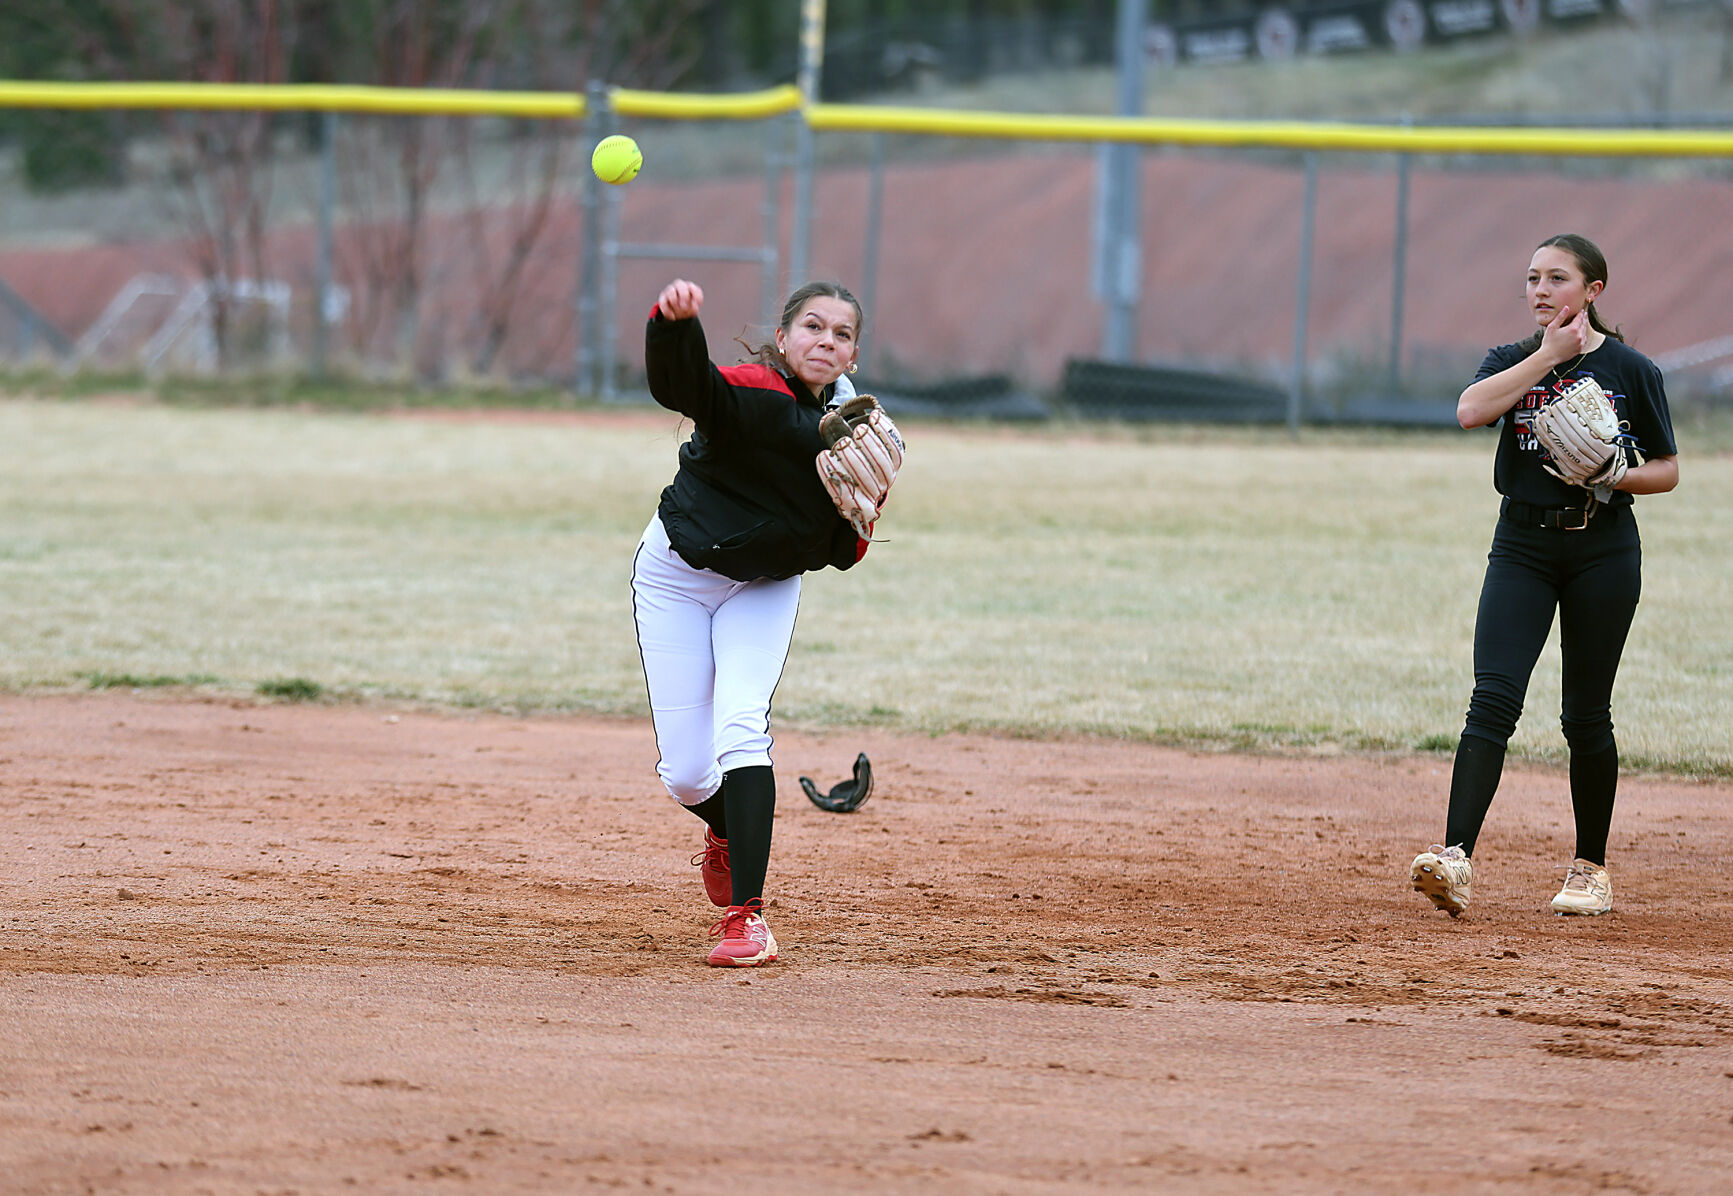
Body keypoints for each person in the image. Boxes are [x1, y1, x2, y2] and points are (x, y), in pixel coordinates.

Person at [631, 277, 902, 966]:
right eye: (812, 326)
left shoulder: (863, 434)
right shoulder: (753, 392)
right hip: (677, 578)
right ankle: (727, 827)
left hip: (763, 586)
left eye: (840, 334)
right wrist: (672, 325)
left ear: (853, 355)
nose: (825, 340)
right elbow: (686, 386)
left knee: (740, 728)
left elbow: (840, 553)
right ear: (783, 340)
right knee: (687, 776)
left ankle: (745, 921)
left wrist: (857, 517)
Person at [1410, 234, 1678, 919]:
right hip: (1521, 547)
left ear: (1592, 290)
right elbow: (1471, 411)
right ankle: (1454, 859)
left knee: (1584, 715)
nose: (1537, 289)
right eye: (1530, 277)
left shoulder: (1630, 368)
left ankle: (1590, 869)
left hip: (1602, 549)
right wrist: (1546, 358)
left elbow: (1667, 469)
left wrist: (1617, 472)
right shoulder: (1512, 359)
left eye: (1555, 278)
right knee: (1492, 698)